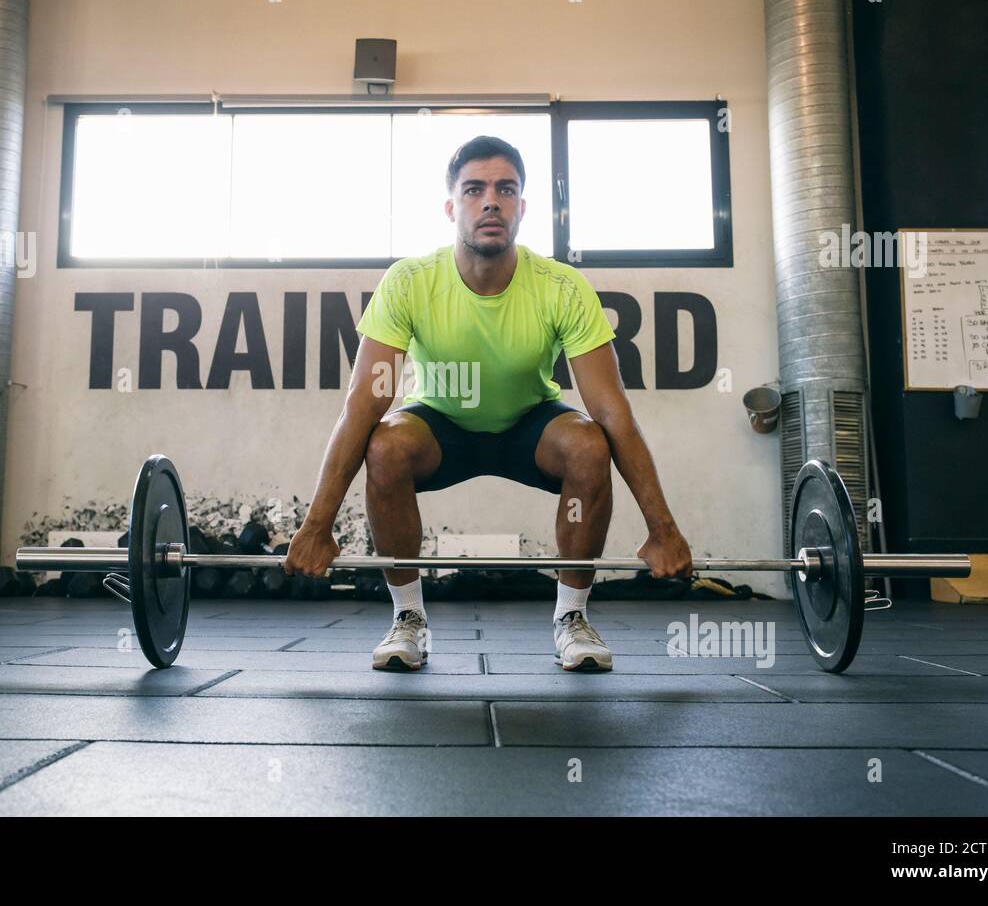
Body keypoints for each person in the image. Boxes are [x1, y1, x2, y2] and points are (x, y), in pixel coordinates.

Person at [284, 135, 693, 671]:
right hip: (440, 427)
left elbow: (614, 414)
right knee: (384, 445)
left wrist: (662, 529)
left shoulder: (562, 287)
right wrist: (318, 525)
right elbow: (361, 405)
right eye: (474, 190)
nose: (491, 202)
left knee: (590, 444)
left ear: (522, 206)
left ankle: (572, 616)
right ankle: (408, 616)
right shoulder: (409, 283)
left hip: (529, 426)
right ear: (451, 207)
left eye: (506, 189)